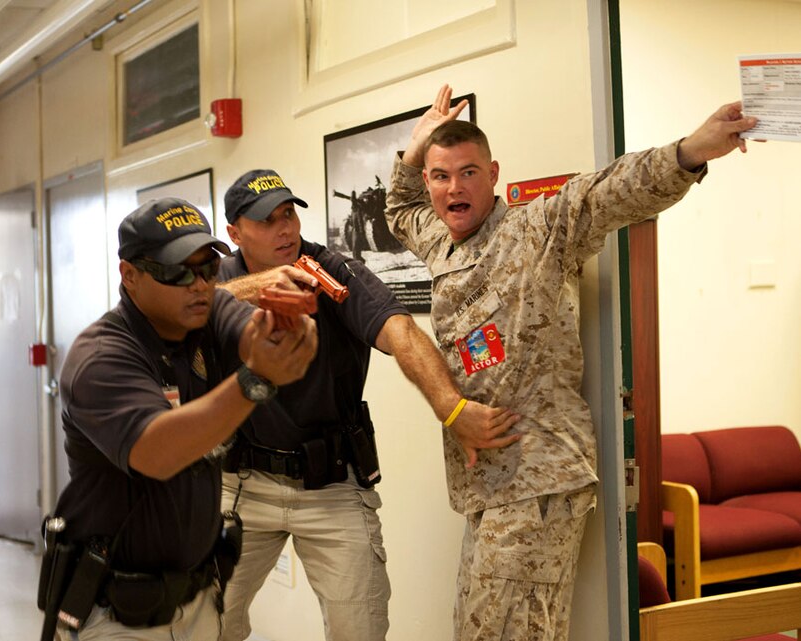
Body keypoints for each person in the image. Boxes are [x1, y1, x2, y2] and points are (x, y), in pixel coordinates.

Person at [384, 84, 759, 640]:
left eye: (467, 173)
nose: (452, 187)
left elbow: (612, 191)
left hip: (538, 477)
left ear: (493, 174)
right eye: (440, 176)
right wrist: (415, 150)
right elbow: (399, 209)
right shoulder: (442, 241)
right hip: (486, 483)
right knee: (481, 629)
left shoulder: (538, 229)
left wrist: (692, 150)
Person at [216, 169, 521, 641]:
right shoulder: (218, 282)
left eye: (289, 214)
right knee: (204, 622)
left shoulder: (329, 269)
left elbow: (399, 330)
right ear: (235, 234)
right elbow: (169, 313)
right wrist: (260, 286)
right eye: (267, 221)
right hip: (243, 486)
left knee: (360, 629)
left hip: (331, 483)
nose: (286, 230)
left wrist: (452, 408)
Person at [39, 197, 317, 641]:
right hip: (117, 617)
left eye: (207, 268)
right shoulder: (101, 356)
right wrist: (255, 380)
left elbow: (254, 333)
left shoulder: (205, 315)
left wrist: (287, 328)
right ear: (130, 276)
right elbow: (157, 452)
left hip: (197, 601)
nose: (199, 284)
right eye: (177, 272)